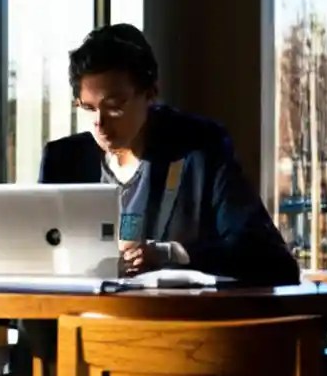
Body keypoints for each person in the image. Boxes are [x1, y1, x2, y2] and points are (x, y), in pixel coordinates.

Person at [40, 22, 299, 285]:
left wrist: (169, 253)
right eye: (87, 108)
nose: (99, 123)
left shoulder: (199, 150)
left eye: (114, 107)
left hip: (167, 320)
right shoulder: (63, 160)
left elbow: (270, 259)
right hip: (79, 319)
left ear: (150, 94)